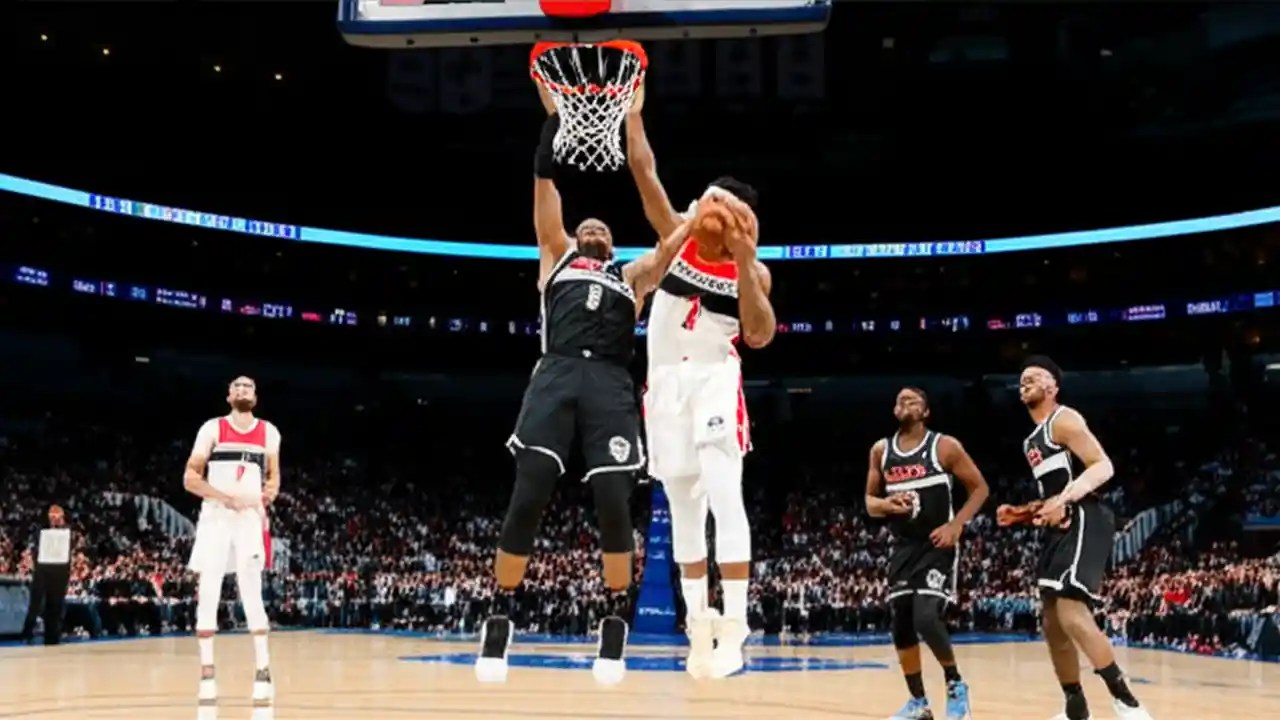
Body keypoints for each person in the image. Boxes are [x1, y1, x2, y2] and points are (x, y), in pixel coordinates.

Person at [475, 80, 756, 686]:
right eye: (590, 225)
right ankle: (500, 612)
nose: (596, 227)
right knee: (532, 488)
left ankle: (614, 618)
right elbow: (545, 191)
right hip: (554, 374)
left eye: (604, 226)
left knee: (613, 501)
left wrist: (705, 221)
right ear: (577, 237)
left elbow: (671, 242)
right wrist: (553, 128)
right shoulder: (555, 258)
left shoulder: (634, 276)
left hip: (611, 385)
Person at [623, 96, 773, 679]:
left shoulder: (752, 270)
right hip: (664, 385)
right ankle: (700, 625)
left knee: (723, 490)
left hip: (714, 378)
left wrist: (741, 258)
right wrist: (635, 112)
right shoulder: (675, 238)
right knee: (683, 509)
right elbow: (644, 172)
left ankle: (735, 624)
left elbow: (759, 336)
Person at [997, 356, 1153, 720]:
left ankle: (1127, 703)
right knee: (1051, 622)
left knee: (1070, 612)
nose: (1025, 382)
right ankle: (1076, 707)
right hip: (1059, 524)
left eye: (1034, 377)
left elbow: (1102, 466)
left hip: (1086, 517)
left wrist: (1065, 500)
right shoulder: (1031, 441)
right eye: (1021, 379)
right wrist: (1022, 512)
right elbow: (1053, 494)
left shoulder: (1064, 419)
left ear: (1053, 387)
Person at [865, 387, 989, 720]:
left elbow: (980, 488)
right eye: (900, 400)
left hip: (937, 545)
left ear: (926, 412)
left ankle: (955, 684)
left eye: (913, 401)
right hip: (903, 546)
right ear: (894, 411)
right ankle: (918, 703)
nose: (905, 403)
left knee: (926, 617)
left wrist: (956, 526)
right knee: (901, 625)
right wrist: (886, 504)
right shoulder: (881, 450)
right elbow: (870, 502)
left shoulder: (944, 446)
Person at [183, 376, 281, 718]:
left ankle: (263, 670)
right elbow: (190, 478)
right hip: (216, 515)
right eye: (236, 387)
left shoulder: (269, 432)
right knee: (208, 588)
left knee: (251, 590)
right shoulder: (212, 428)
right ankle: (207, 672)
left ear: (256, 396)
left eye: (248, 387)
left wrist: (267, 494)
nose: (242, 390)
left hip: (249, 519)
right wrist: (226, 498)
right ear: (228, 395)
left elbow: (274, 477)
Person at [20, 504, 72, 646]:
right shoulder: (40, 531)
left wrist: (61, 526)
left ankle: (52, 636)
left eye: (58, 516)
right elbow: (33, 548)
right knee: (35, 603)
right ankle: (27, 632)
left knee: (55, 605)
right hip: (43, 569)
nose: (55, 519)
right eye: (52, 516)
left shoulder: (68, 532)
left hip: (60, 571)